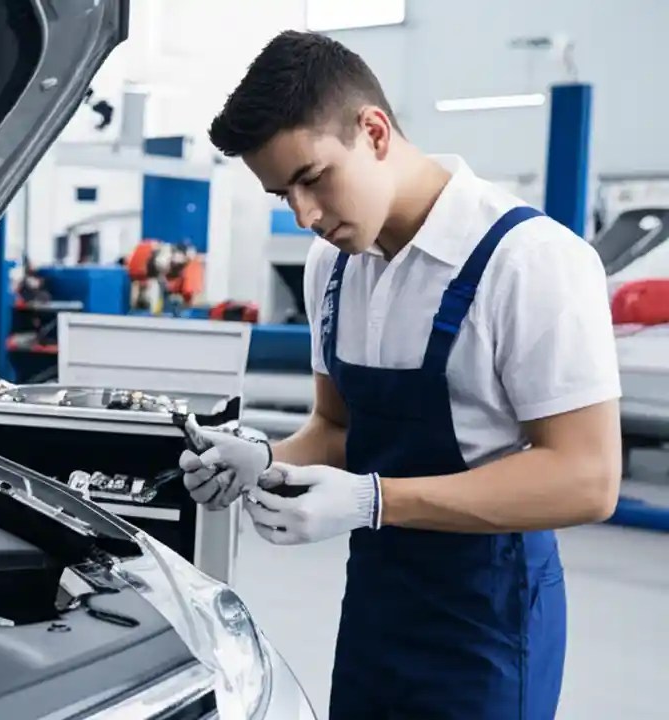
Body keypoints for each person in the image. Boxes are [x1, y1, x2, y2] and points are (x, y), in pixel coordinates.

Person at [179, 30, 623, 720]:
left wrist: (371, 501)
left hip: (490, 622)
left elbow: (588, 478)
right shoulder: (332, 267)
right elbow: (338, 428)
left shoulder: (530, 260)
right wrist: (265, 456)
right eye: (282, 195)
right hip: (377, 607)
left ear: (374, 132)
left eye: (312, 178)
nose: (305, 216)